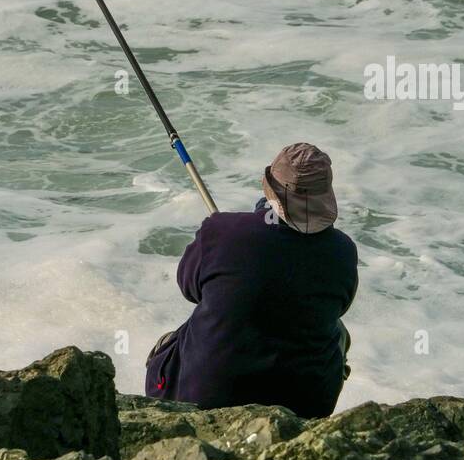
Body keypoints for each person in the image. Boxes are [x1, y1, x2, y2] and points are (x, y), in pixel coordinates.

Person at [145, 142, 358, 418]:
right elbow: (339, 306)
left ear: (268, 187)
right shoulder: (342, 250)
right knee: (338, 331)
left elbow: (189, 286)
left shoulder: (221, 230)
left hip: (206, 398)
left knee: (173, 339)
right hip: (306, 405)